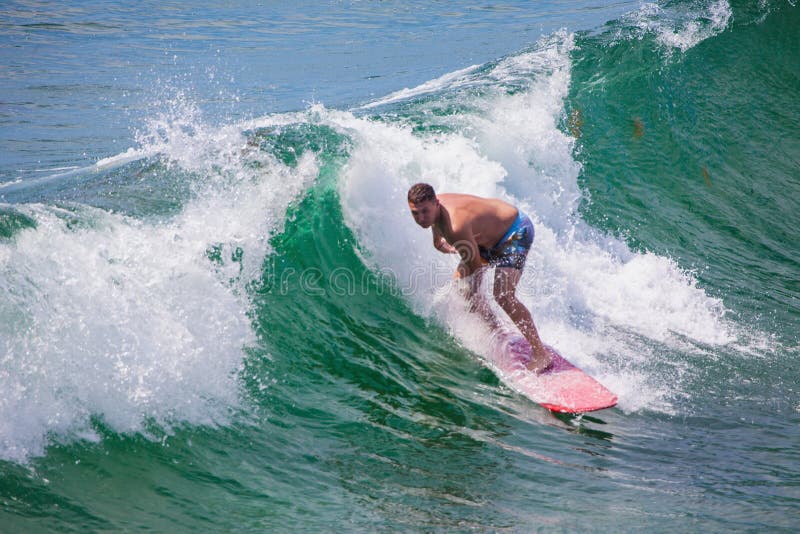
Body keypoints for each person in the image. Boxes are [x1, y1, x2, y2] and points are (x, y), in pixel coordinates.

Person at [407, 183, 552, 373]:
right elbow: (438, 230)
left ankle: (541, 354)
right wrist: (443, 243)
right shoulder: (434, 208)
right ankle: (497, 330)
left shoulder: (455, 228)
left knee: (503, 296)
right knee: (463, 290)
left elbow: (476, 266)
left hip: (515, 233)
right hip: (485, 240)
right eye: (415, 214)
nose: (420, 218)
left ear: (436, 203)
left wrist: (476, 293)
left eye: (424, 212)